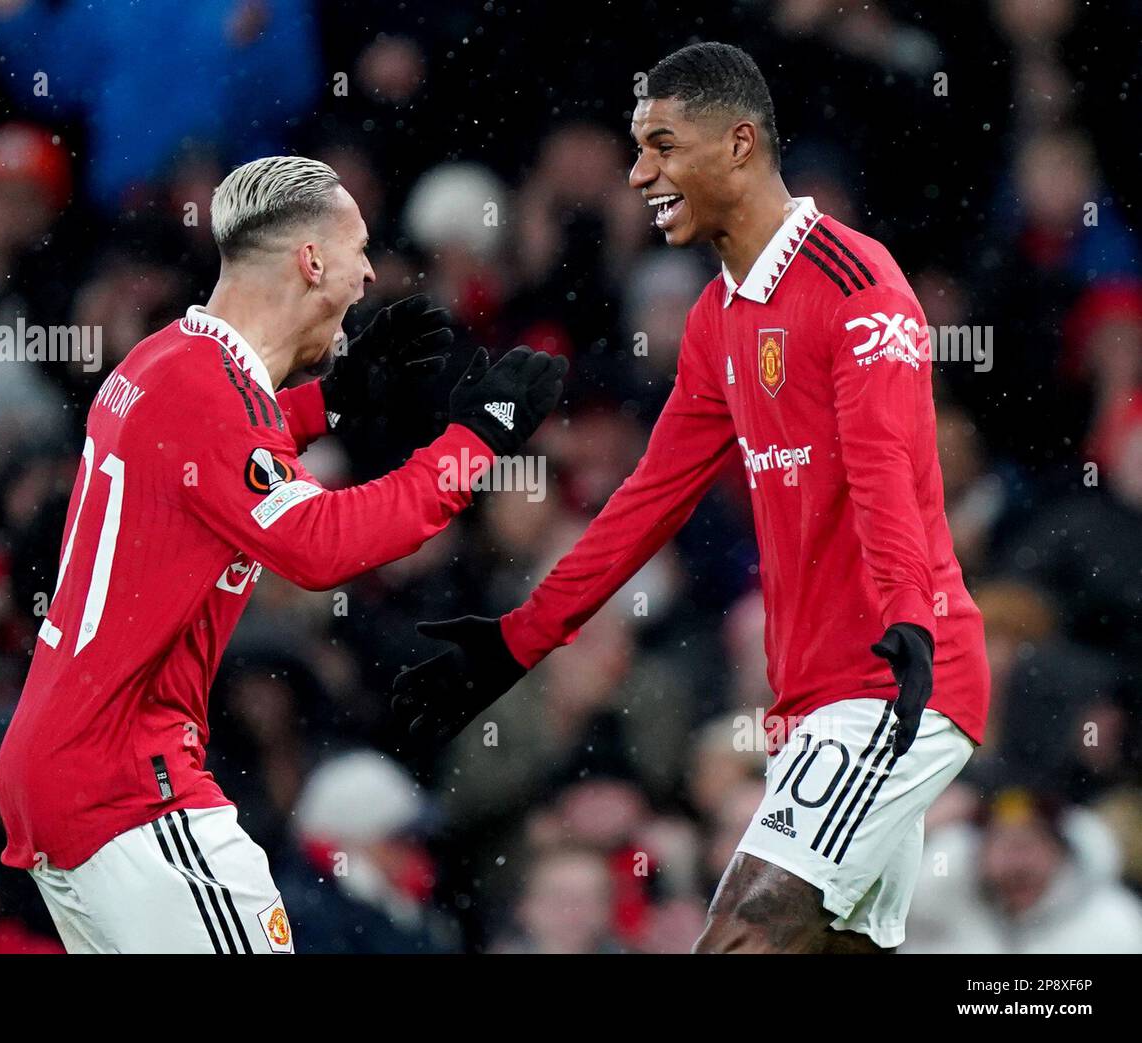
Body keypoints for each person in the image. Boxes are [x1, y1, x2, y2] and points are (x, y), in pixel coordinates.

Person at [392, 43, 989, 953]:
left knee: (742, 928)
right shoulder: (718, 319)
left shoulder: (860, 286)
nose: (640, 174)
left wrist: (907, 614)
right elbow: (648, 499)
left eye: (662, 147)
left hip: (898, 678)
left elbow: (887, 473)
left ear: (739, 144)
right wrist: (521, 636)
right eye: (638, 150)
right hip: (814, 695)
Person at [0, 155, 567, 954]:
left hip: (61, 768)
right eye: (358, 247)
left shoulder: (163, 359)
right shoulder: (211, 396)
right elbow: (321, 545)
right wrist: (474, 443)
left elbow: (211, 457)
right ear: (311, 260)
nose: (370, 273)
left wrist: (330, 398)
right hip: (128, 781)